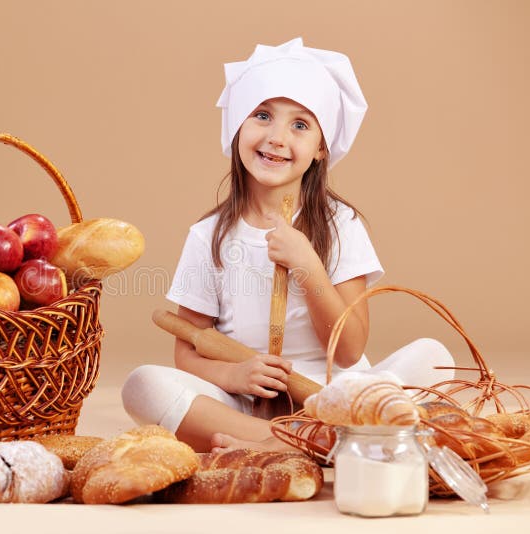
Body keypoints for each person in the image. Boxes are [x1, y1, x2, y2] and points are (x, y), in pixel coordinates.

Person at [121, 37, 455, 453]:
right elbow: (188, 351)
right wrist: (234, 376)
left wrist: (307, 265)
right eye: (262, 115)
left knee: (434, 357)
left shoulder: (340, 225)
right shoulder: (208, 236)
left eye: (299, 124)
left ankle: (309, 434)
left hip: (334, 391)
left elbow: (350, 350)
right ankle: (318, 441)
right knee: (142, 386)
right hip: (243, 401)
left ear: (320, 148)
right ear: (237, 127)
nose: (277, 137)